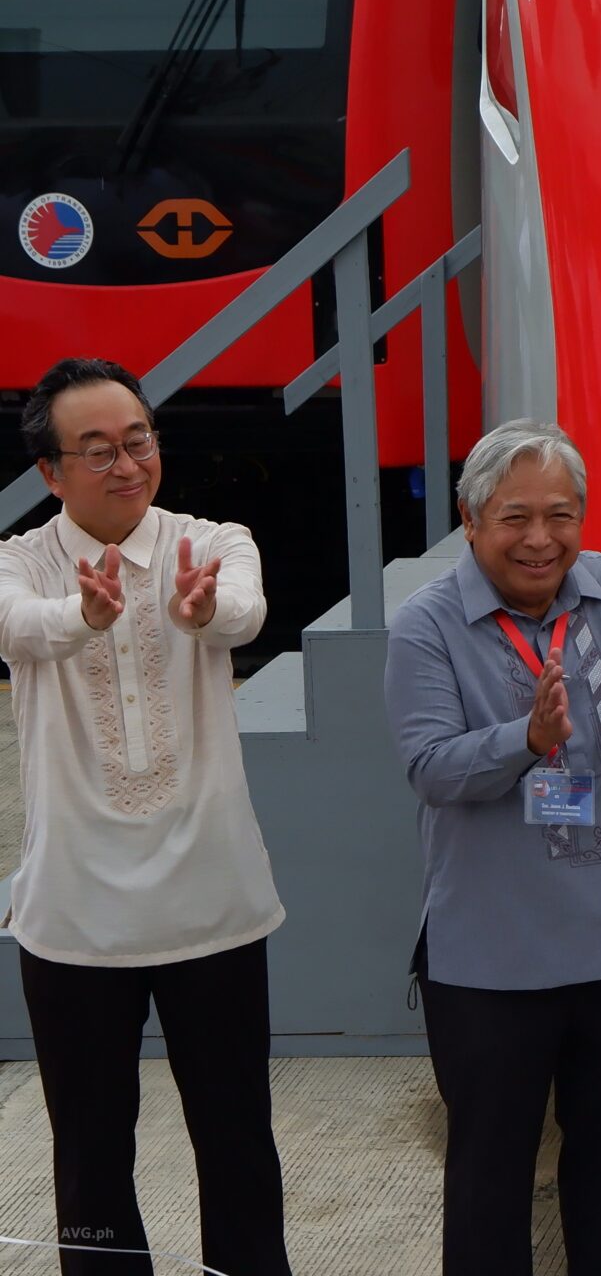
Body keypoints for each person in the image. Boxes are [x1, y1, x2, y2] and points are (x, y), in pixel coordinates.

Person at [383, 419, 601, 1275]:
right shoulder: (427, 624)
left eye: (561, 515)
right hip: (494, 961)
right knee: (490, 1184)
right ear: (471, 518)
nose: (540, 539)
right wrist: (524, 738)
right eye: (515, 516)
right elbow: (429, 767)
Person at [0, 358, 289, 1275]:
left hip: (213, 901)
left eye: (138, 441)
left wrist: (203, 612)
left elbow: (244, 611)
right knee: (91, 1159)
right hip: (77, 914)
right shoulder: (17, 563)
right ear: (50, 472)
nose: (127, 465)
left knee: (239, 1139)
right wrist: (83, 616)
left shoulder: (211, 539)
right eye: (97, 451)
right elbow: (18, 626)